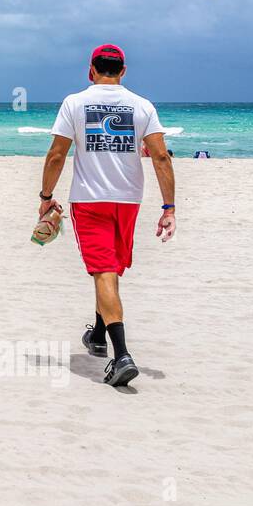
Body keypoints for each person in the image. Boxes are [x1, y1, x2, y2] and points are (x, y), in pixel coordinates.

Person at [38, 44, 176, 387]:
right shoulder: (143, 106)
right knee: (110, 269)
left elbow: (57, 155)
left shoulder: (74, 103)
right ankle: (98, 335)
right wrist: (169, 207)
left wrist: (45, 197)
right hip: (128, 201)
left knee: (104, 271)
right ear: (124, 71)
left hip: (89, 200)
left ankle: (122, 356)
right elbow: (160, 157)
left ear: (91, 70)